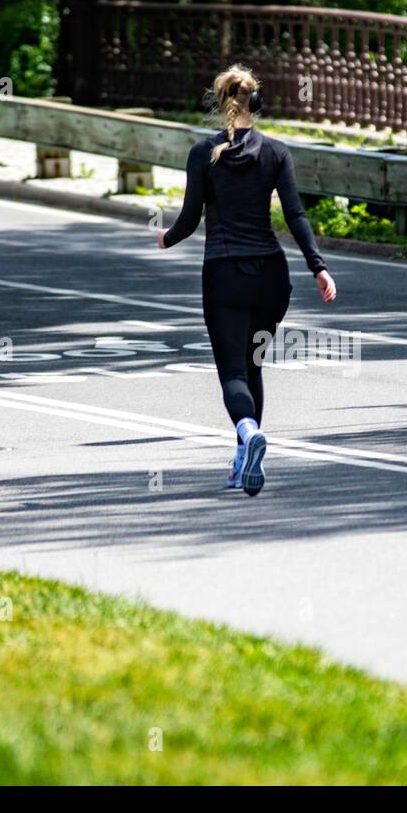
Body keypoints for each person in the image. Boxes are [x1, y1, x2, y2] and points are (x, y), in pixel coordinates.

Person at [157, 64, 337, 496]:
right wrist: (318, 266)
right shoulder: (276, 152)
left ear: (220, 105)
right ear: (256, 104)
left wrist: (166, 238)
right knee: (253, 364)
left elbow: (189, 219)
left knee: (232, 372)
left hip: (225, 277)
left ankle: (247, 430)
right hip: (271, 280)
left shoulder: (203, 154)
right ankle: (243, 460)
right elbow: (295, 215)